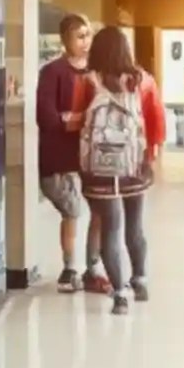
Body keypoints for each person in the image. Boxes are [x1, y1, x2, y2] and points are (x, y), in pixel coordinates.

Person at [70, 27, 167, 315]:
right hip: (133, 166)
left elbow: (76, 122)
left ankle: (120, 294)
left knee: (110, 228)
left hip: (99, 170)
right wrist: (149, 157)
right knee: (135, 225)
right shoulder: (143, 80)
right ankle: (140, 279)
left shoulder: (88, 81)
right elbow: (156, 122)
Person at [36, 13, 111, 294]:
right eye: (79, 36)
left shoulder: (97, 71)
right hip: (60, 154)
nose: (85, 42)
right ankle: (70, 268)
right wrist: (76, 121)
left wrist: (75, 119)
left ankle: (94, 266)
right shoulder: (53, 72)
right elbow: (47, 116)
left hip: (92, 152)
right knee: (71, 209)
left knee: (100, 209)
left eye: (88, 35)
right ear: (65, 39)